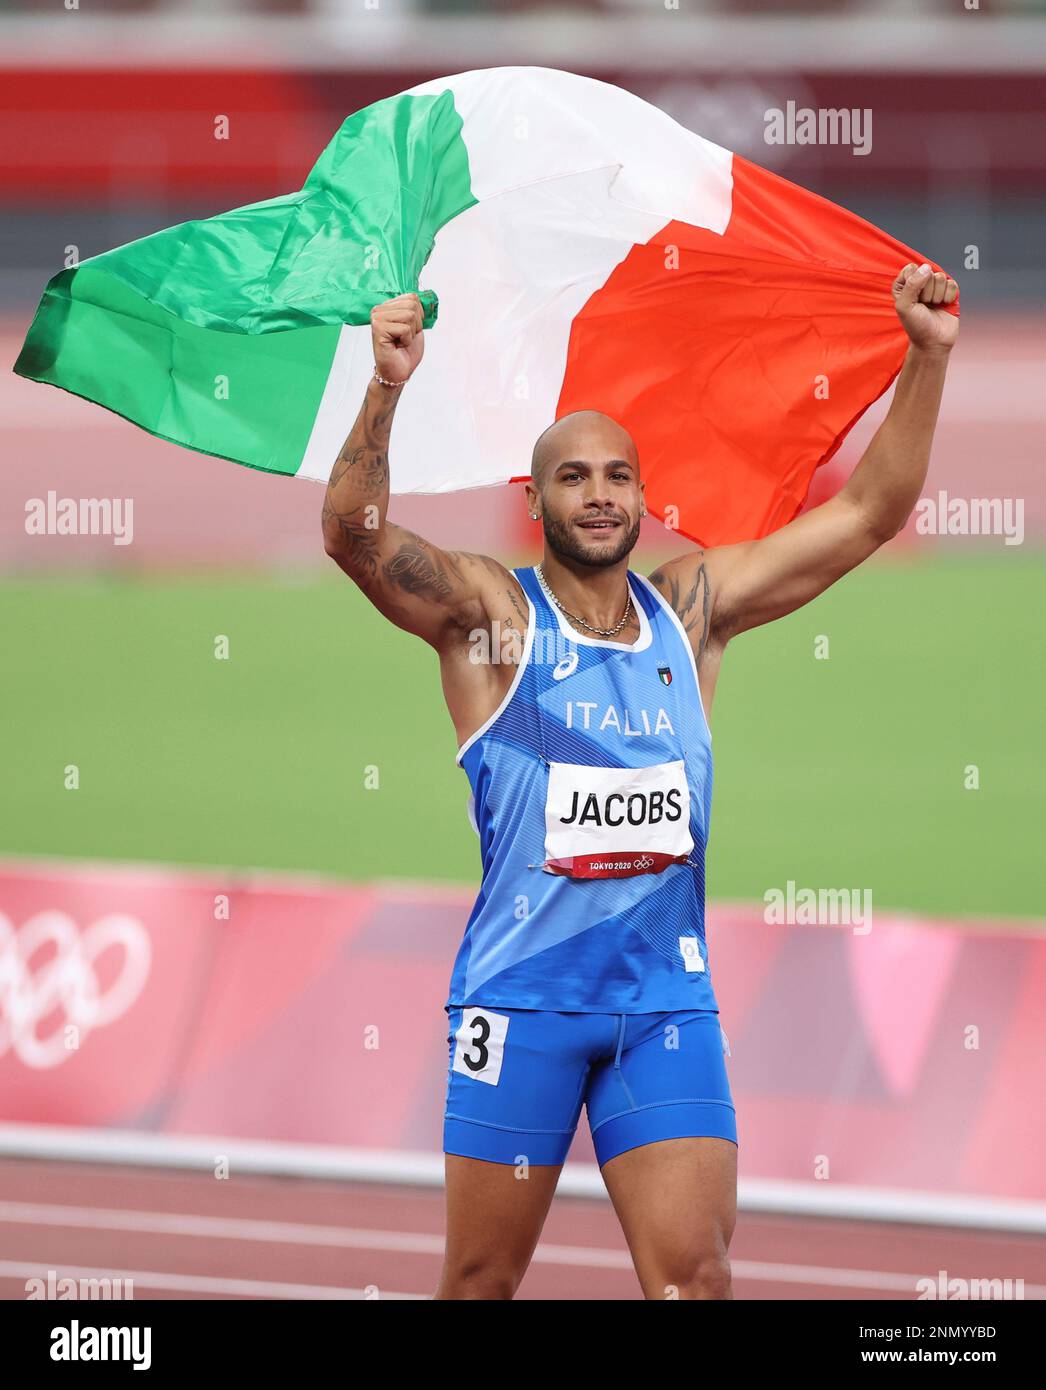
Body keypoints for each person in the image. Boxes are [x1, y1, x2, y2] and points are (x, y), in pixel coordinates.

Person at [321, 263, 959, 1300]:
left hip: (663, 1007)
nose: (600, 494)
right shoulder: (493, 618)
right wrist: (386, 387)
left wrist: (923, 361)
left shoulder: (690, 614)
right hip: (522, 1003)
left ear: (642, 495)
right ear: (533, 500)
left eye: (616, 475)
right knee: (478, 1283)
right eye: (573, 477)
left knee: (693, 1280)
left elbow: (866, 518)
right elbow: (354, 540)